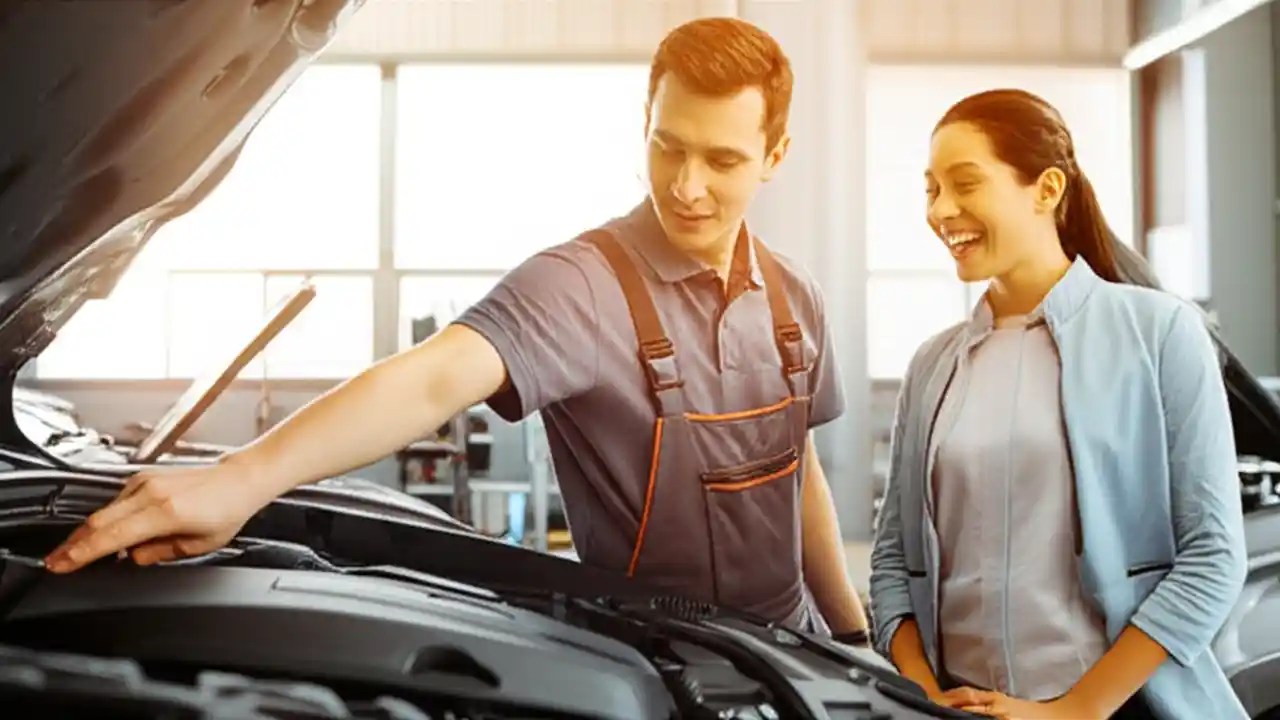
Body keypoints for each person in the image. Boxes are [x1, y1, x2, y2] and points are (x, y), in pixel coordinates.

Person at [43, 17, 869, 641]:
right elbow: (430, 379)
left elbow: (798, 477)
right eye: (666, 148)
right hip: (659, 655)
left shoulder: (798, 300)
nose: (685, 187)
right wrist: (243, 479)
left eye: (721, 161)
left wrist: (853, 636)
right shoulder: (581, 286)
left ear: (775, 154)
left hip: (794, 649)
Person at [867, 89, 1247, 720]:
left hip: (1119, 710)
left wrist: (1076, 710)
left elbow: (1212, 556)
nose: (942, 210)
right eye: (931, 189)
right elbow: (891, 564)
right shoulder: (931, 365)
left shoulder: (1160, 332)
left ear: (1045, 189)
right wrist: (927, 698)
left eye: (965, 184)